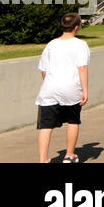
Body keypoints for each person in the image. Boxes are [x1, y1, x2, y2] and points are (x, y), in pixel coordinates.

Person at [35, 12, 89, 163]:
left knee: (46, 126)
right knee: (73, 121)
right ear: (76, 28)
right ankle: (69, 155)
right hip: (71, 88)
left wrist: (49, 83)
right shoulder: (81, 45)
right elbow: (82, 68)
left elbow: (43, 69)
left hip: (50, 88)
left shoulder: (51, 44)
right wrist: (85, 90)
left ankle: (42, 160)